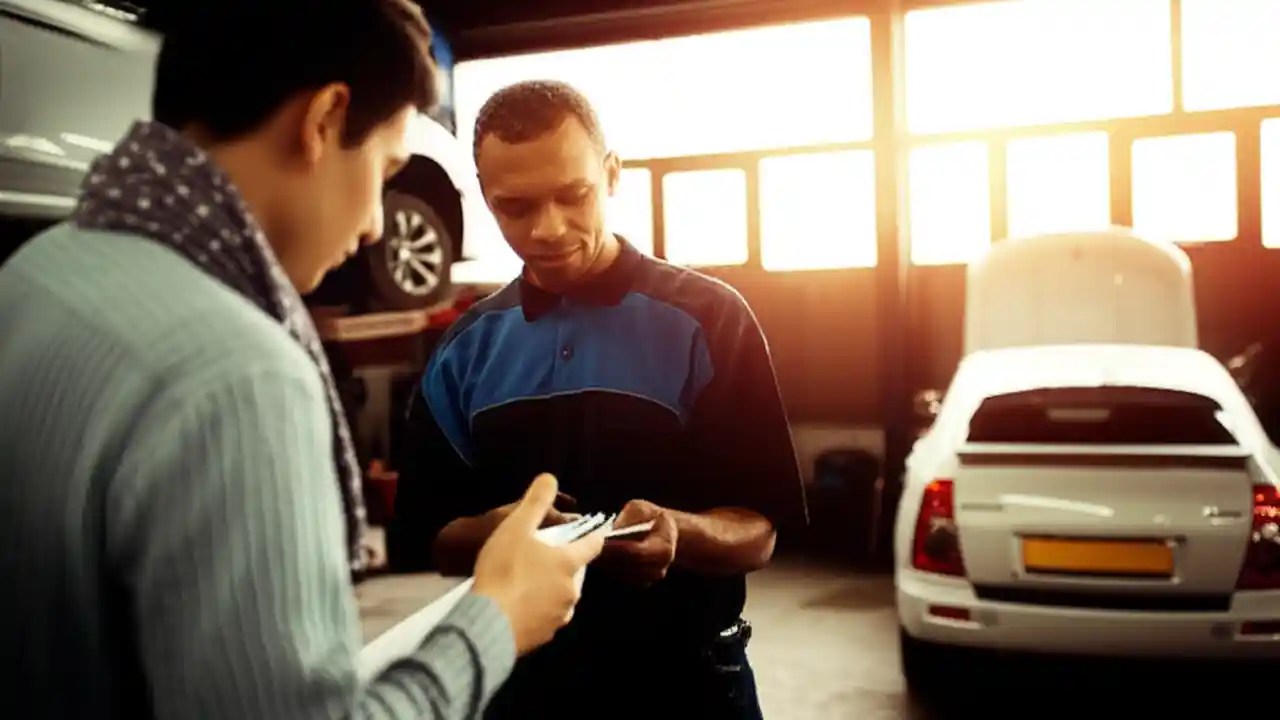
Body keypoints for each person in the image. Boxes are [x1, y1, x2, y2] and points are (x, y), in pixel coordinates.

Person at [0, 4, 603, 719]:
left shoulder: (34, 277)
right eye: (384, 168)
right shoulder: (239, 374)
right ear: (323, 121)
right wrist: (497, 619)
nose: (379, 222)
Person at [388, 80, 809, 719]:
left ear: (611, 176)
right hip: (521, 687)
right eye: (515, 207)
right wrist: (498, 530)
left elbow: (758, 532)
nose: (547, 229)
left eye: (573, 195)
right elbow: (432, 537)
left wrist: (681, 531)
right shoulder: (463, 351)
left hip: (688, 685)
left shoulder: (712, 320)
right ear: (485, 198)